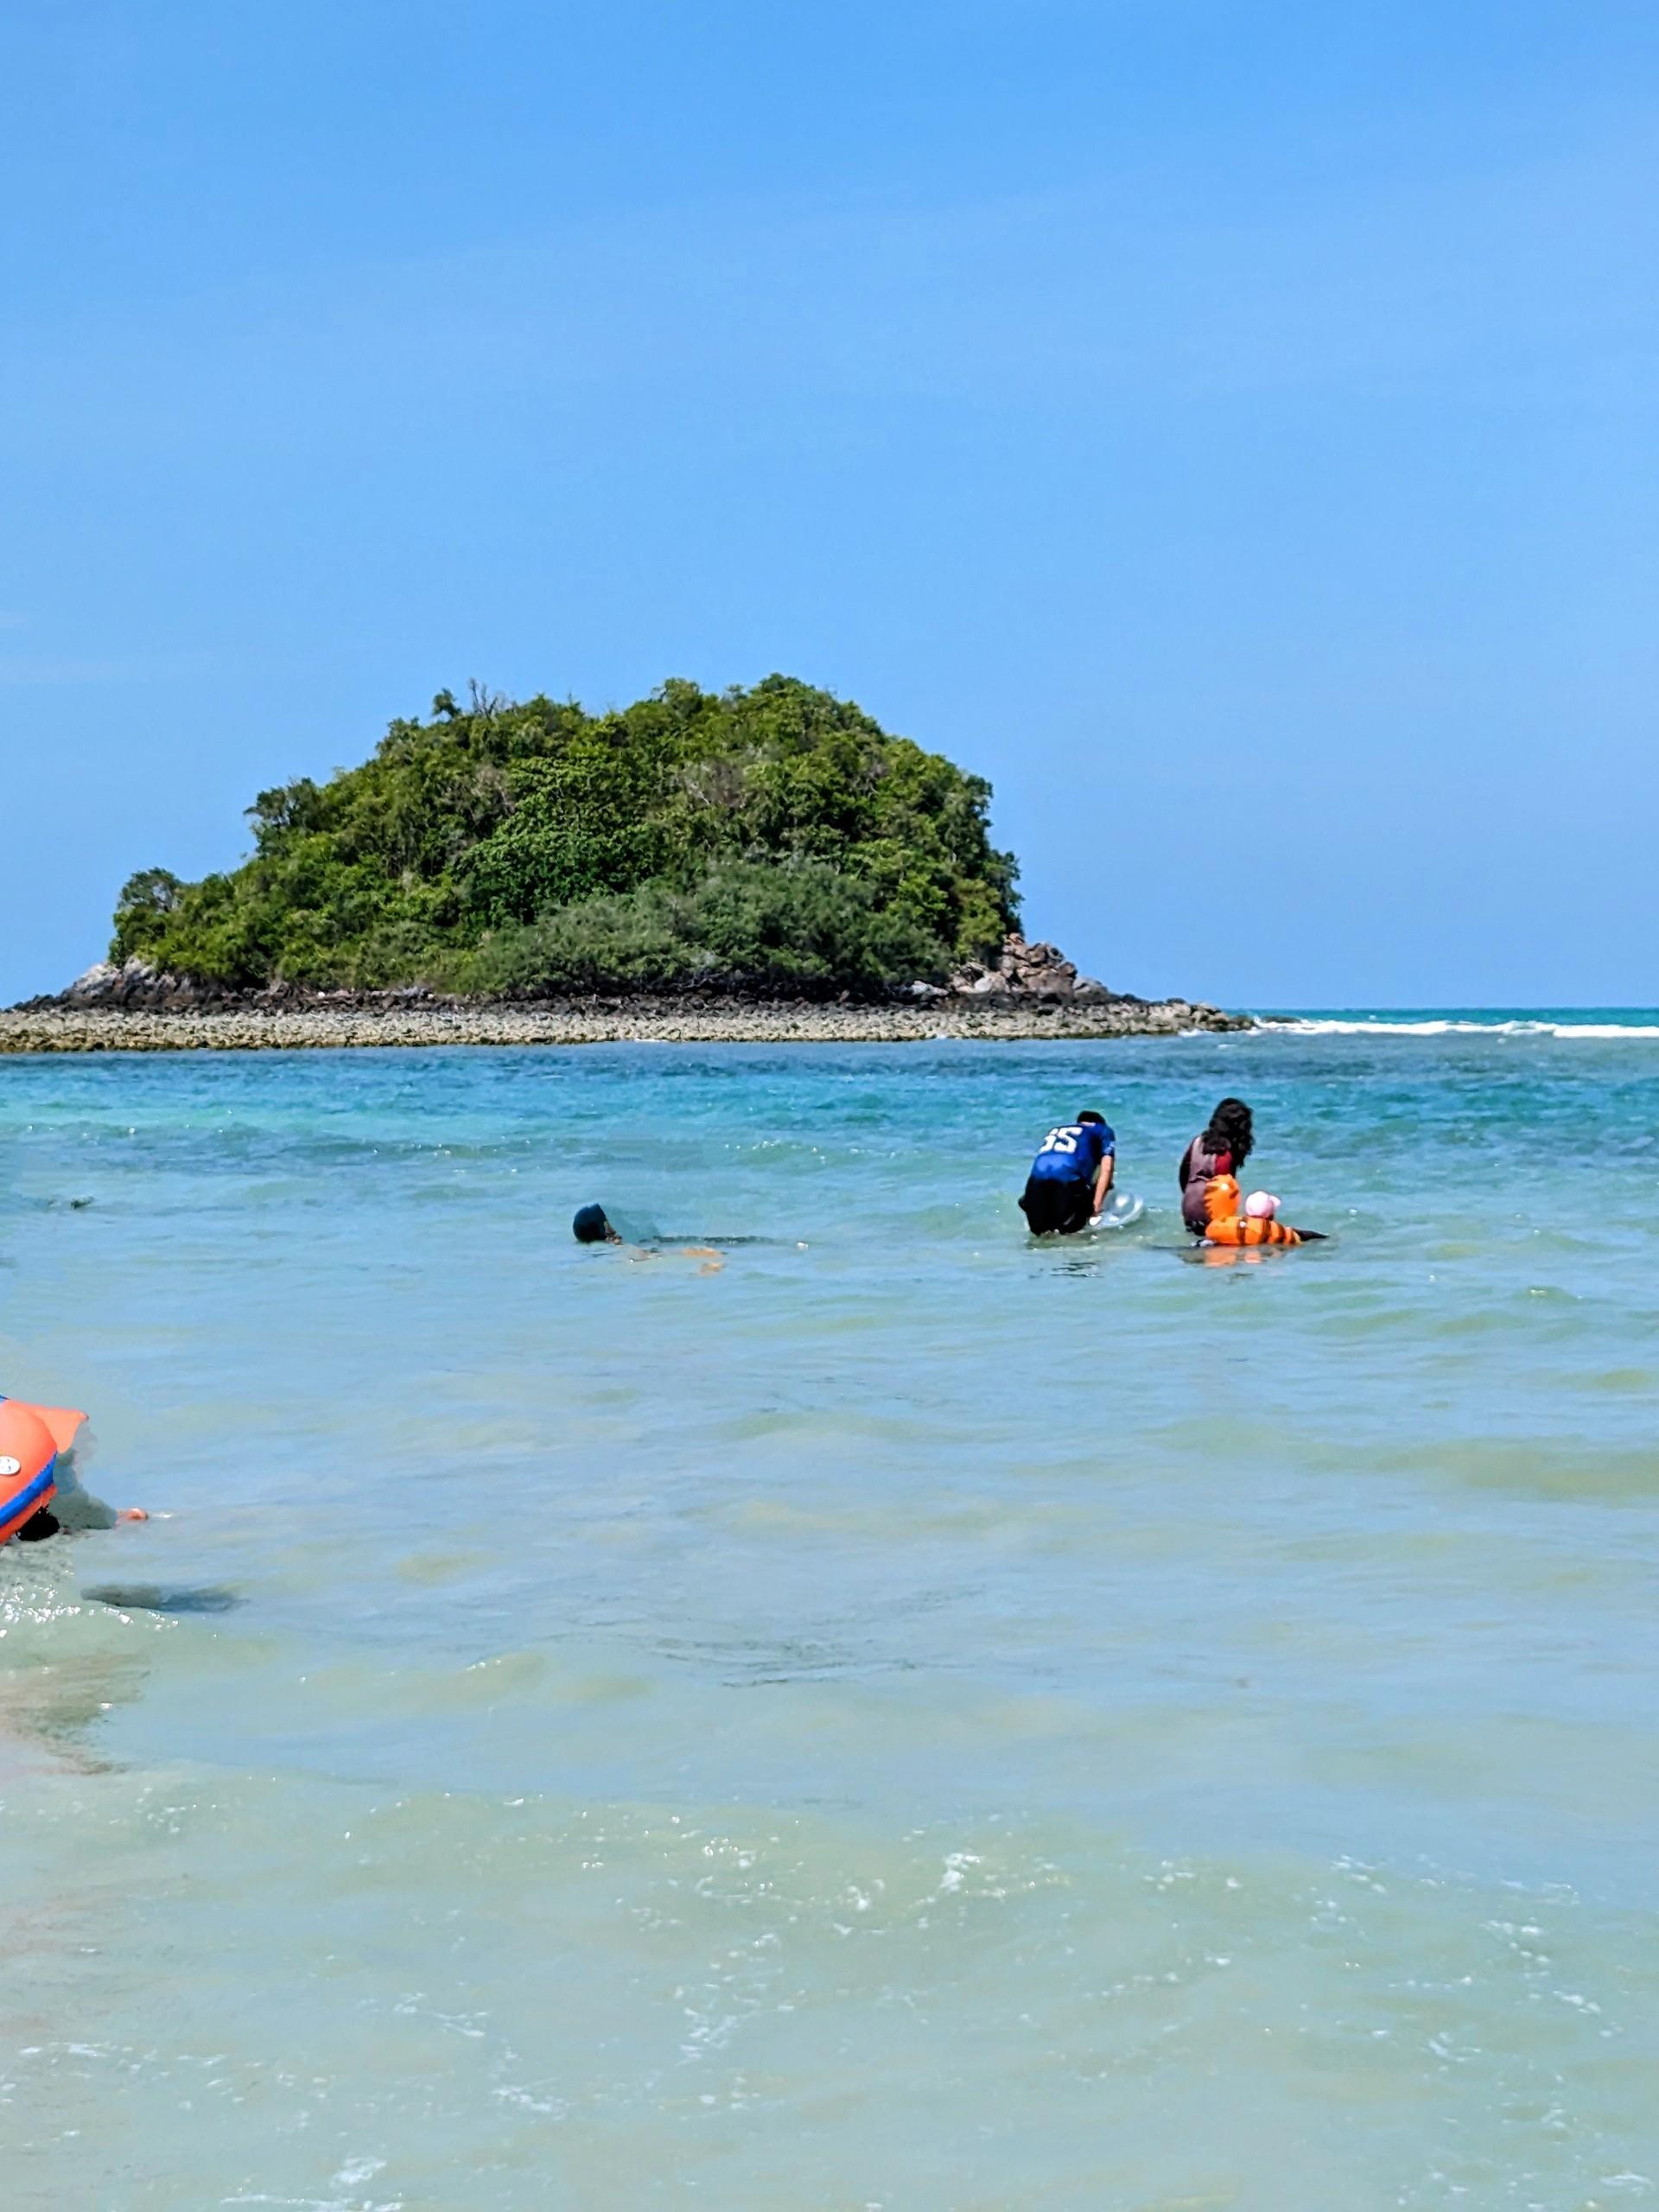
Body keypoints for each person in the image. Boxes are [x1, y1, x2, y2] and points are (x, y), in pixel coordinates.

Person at [1178, 1099, 1320, 1245]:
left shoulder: (1197, 1142)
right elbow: (1224, 1194)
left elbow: (1183, 1175)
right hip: (1210, 1211)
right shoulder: (1224, 1156)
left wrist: (1192, 1199)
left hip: (1188, 1206)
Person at [1019, 1109, 1116, 1236]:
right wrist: (1095, 1210)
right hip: (1068, 1181)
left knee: (1041, 1234)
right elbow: (1107, 1169)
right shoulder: (1102, 1130)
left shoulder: (1057, 1130)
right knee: (1072, 1233)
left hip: (1034, 1185)